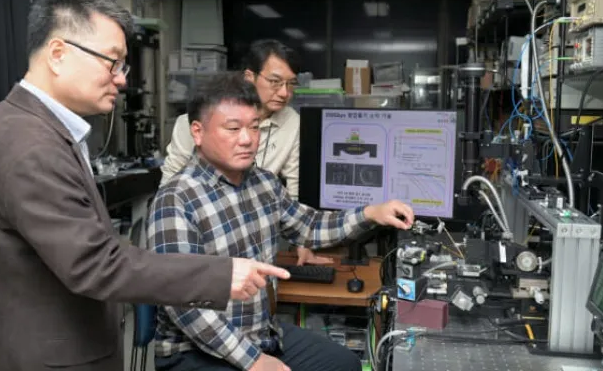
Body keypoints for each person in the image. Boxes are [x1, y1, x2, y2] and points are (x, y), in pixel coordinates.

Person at [0, 0, 288, 371]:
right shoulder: (27, 143)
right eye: (112, 62)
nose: (120, 79)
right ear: (58, 54)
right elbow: (95, 264)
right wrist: (220, 274)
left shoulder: (38, 129)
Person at [148, 72, 414, 371]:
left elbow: (310, 227)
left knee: (344, 364)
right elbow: (185, 305)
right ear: (197, 132)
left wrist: (370, 213)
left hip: (260, 333)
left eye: (254, 127)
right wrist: (254, 361)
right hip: (194, 352)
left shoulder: (263, 183)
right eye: (233, 128)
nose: (247, 139)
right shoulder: (176, 200)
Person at [162, 39, 329, 266]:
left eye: (291, 84)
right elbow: (170, 181)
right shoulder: (195, 123)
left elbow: (295, 186)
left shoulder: (293, 123)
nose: (284, 93)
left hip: (255, 228)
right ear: (250, 77)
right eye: (275, 82)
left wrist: (303, 243)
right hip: (207, 229)